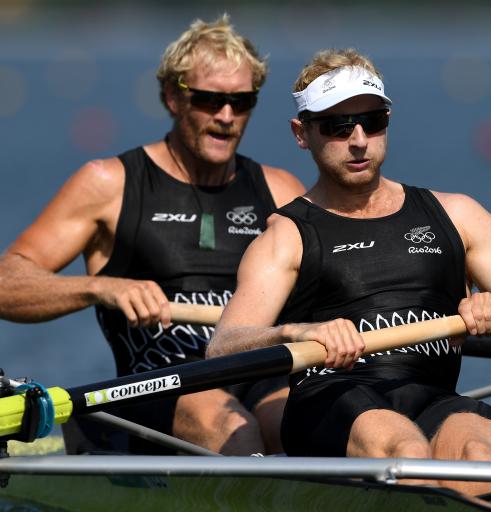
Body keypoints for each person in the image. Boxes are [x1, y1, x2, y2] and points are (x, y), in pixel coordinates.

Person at [207, 49, 491, 494]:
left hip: (430, 396)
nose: (359, 139)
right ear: (301, 134)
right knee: (406, 451)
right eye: (338, 126)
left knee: (479, 454)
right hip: (330, 401)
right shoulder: (286, 235)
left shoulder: (458, 216)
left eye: (372, 120)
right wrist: (295, 333)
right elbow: (224, 349)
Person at [0, 15, 305, 455]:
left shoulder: (279, 191)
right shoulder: (108, 185)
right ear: (172, 97)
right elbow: (8, 283)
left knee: (299, 423)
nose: (226, 116)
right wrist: (99, 288)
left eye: (241, 102)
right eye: (208, 99)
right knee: (229, 427)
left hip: (258, 374)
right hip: (157, 386)